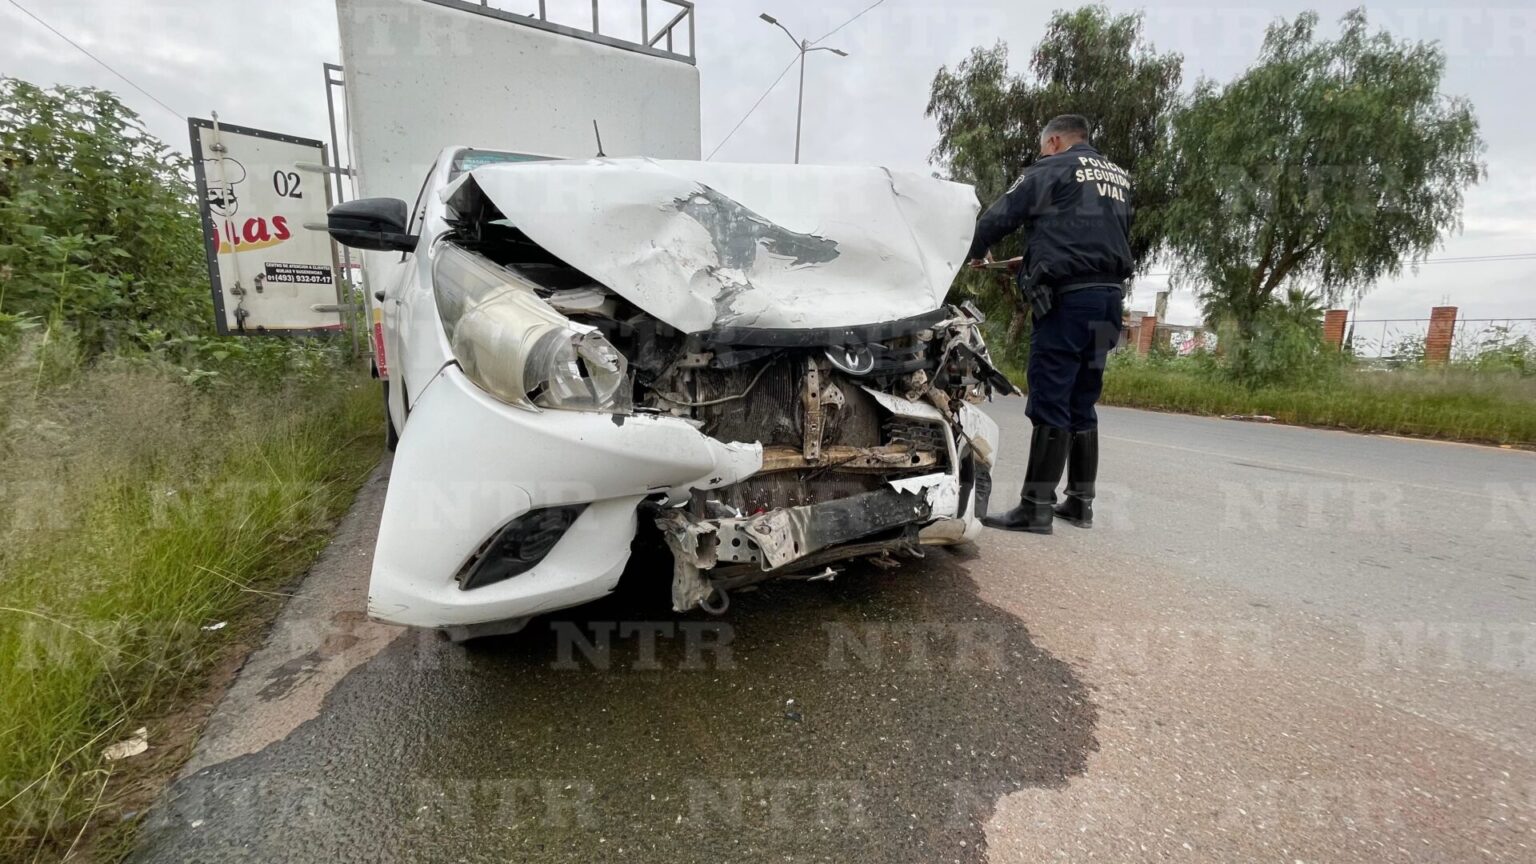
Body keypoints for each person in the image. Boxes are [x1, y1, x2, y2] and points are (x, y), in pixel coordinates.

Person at [966, 114, 1133, 534]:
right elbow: (1094, 237)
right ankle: (1080, 504)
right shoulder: (1117, 177)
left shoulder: (1053, 168)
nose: (1040, 154)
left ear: (1054, 141)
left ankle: (1036, 507)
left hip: (1068, 303)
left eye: (1042, 147)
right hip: (1108, 301)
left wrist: (971, 248)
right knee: (1083, 400)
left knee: (1051, 399)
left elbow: (1002, 215)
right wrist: (1038, 258)